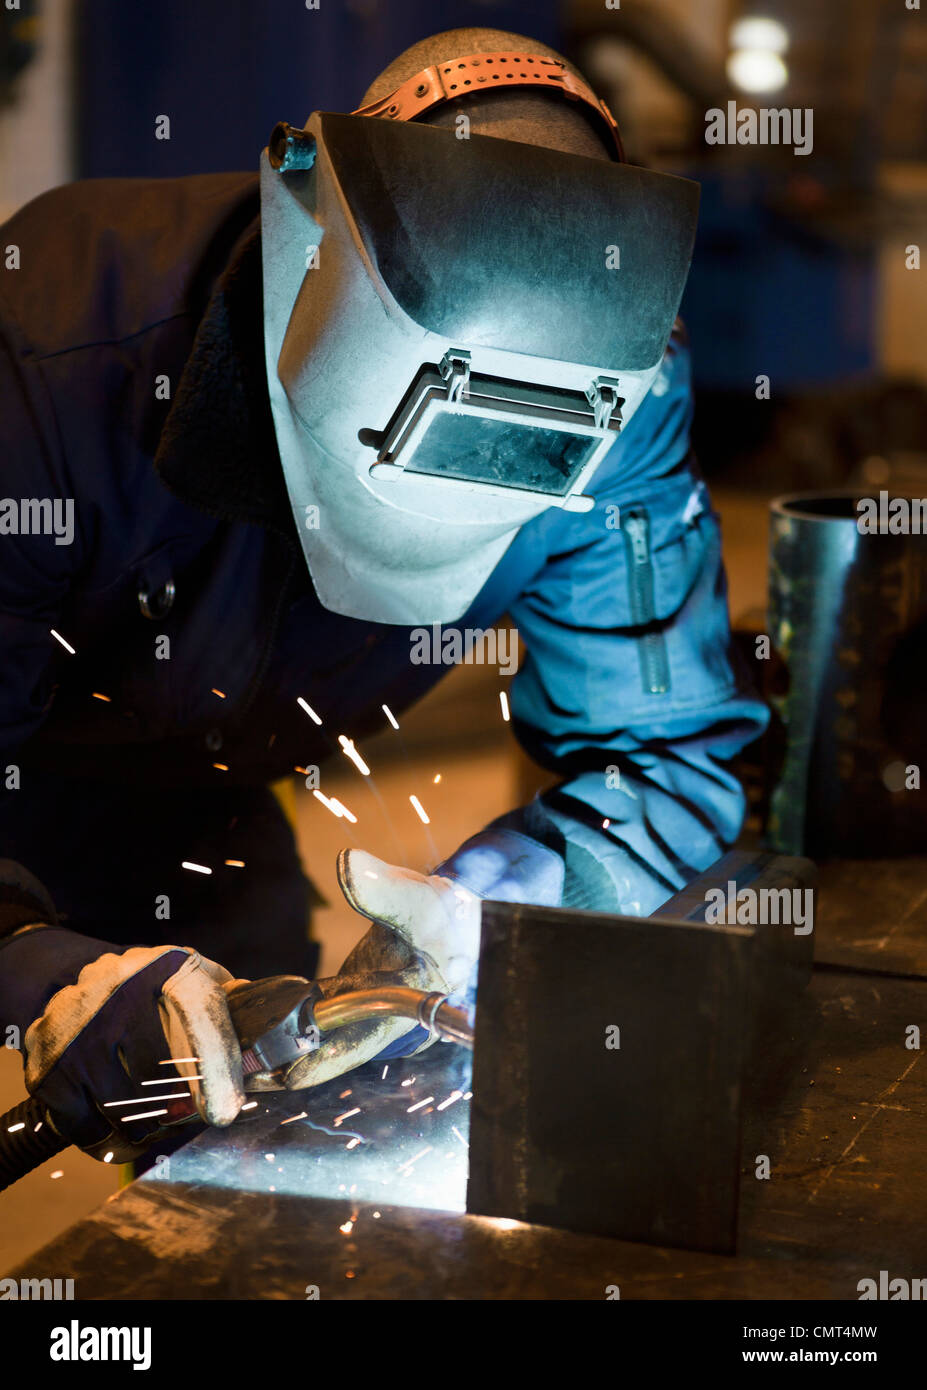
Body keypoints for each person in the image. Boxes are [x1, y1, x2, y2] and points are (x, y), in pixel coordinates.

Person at [0, 27, 767, 1164]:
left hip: (212, 809)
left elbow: (664, 761)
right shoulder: (58, 346)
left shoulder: (628, 404)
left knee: (236, 1124)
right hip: (30, 775)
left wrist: (505, 899)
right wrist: (38, 969)